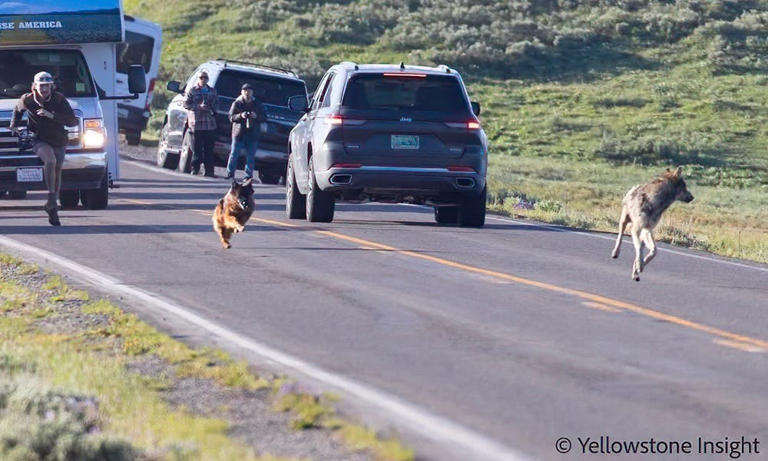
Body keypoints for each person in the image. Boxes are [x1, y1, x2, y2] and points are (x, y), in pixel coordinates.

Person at [10, 71, 78, 226]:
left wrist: (52, 115)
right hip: (39, 139)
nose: (44, 89)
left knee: (57, 169)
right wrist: (14, 125)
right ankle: (52, 200)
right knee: (50, 161)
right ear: (35, 86)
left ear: (51, 86)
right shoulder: (27, 100)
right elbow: (17, 110)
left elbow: (72, 121)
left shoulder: (59, 99)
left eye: (47, 86)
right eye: (41, 86)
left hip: (59, 139)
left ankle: (52, 205)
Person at [226, 83, 265, 180]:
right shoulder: (237, 103)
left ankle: (248, 176)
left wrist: (256, 116)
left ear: (252, 92)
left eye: (249, 90)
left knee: (250, 156)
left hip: (252, 134)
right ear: (242, 92)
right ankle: (230, 173)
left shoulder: (258, 104)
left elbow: (264, 117)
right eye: (245, 90)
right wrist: (241, 116)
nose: (247, 92)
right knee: (234, 154)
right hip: (239, 133)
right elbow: (231, 117)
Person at [183, 71, 217, 177]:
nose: (203, 79)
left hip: (209, 124)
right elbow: (186, 104)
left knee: (209, 149)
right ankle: (195, 168)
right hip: (196, 124)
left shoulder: (212, 91)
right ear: (198, 79)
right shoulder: (192, 91)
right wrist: (198, 107)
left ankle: (209, 171)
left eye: (205, 77)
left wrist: (211, 109)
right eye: (201, 77)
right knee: (197, 149)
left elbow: (216, 104)